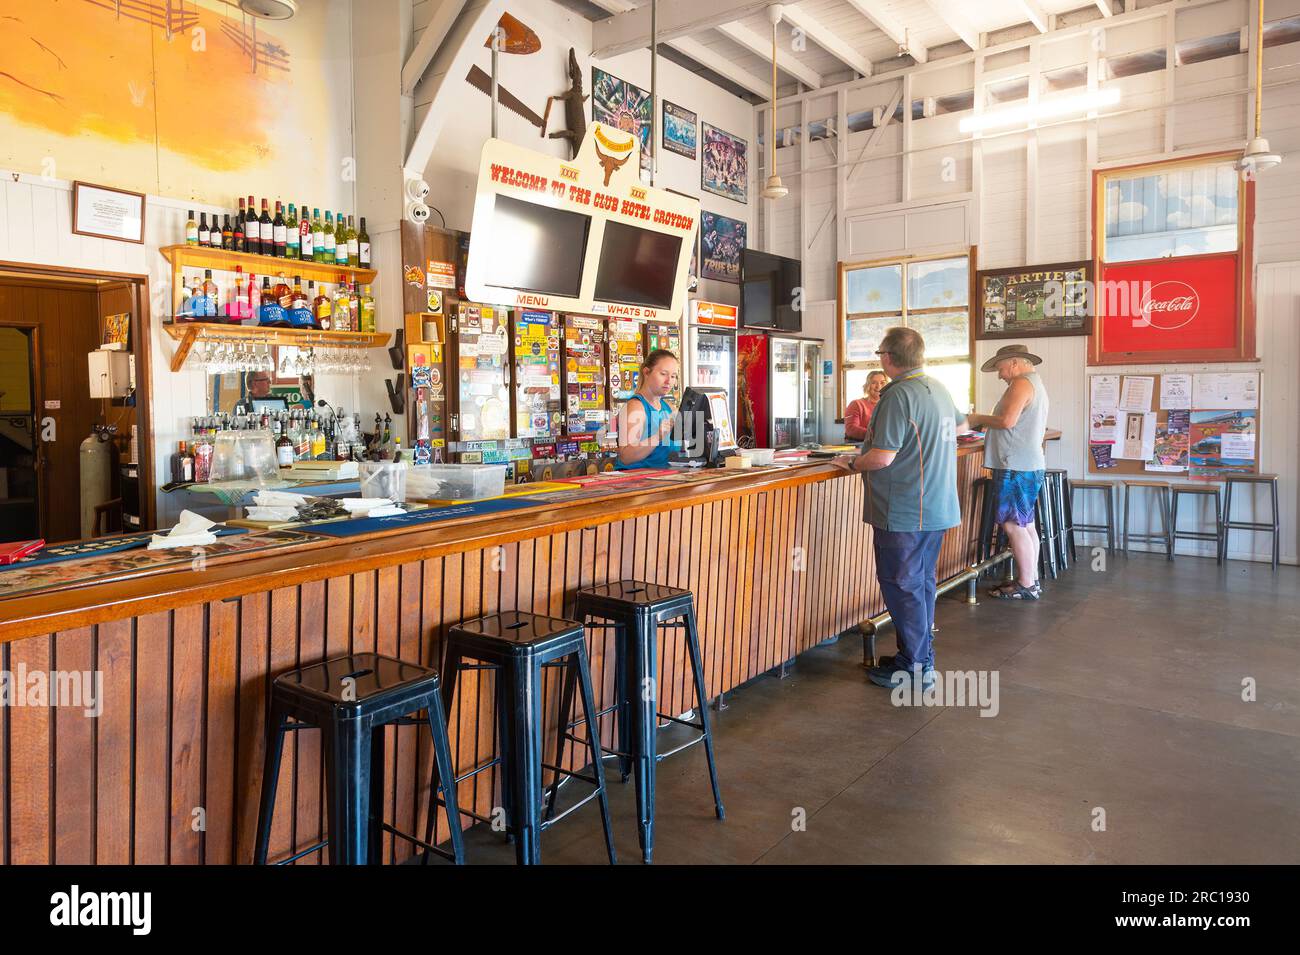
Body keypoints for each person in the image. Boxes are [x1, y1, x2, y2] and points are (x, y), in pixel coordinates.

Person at [833, 327, 965, 689]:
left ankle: (916, 667)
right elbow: (963, 424)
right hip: (936, 505)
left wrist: (851, 464)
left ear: (887, 358)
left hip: (905, 508)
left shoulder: (897, 396)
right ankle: (918, 656)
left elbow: (881, 457)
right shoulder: (937, 387)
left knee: (902, 585)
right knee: (920, 584)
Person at [967, 344, 1050, 600]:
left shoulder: (1022, 383)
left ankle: (1026, 584)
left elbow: (1006, 421)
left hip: (1015, 463)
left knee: (1012, 524)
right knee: (1025, 525)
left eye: (1000, 368)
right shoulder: (1033, 382)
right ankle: (1031, 580)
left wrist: (973, 418)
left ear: (1014, 363)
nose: (1000, 374)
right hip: (1026, 463)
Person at [615, 349, 681, 469]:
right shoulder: (636, 406)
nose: (669, 381)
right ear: (646, 372)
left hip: (662, 478)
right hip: (636, 481)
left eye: (673, 376)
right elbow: (626, 457)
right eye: (663, 374)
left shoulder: (669, 407)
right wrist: (657, 437)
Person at [843, 370, 887, 442]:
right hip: (861, 445)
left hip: (885, 444)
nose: (878, 386)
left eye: (882, 383)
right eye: (873, 383)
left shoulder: (890, 405)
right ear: (867, 386)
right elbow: (851, 429)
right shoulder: (856, 404)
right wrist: (878, 435)